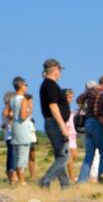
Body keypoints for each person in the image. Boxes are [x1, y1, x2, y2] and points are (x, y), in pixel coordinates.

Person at [37, 58, 72, 190]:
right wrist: (62, 125)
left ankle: (66, 186)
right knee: (64, 156)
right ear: (55, 69)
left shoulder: (47, 84)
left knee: (60, 155)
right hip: (55, 123)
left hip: (52, 123)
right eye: (60, 69)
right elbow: (53, 106)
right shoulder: (50, 85)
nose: (60, 72)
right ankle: (45, 180)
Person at [77, 74, 103, 184]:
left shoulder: (90, 91)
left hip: (87, 122)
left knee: (89, 155)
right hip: (96, 123)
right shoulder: (100, 94)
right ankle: (101, 180)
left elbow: (78, 100)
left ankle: (82, 181)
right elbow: (99, 114)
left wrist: (84, 108)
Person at [8, 77, 34, 184]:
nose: (27, 87)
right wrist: (29, 110)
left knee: (16, 155)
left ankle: (15, 177)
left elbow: (9, 114)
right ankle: (21, 180)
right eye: (26, 85)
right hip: (23, 129)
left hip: (15, 128)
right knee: (23, 156)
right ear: (22, 85)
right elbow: (23, 116)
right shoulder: (23, 99)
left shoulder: (13, 99)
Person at [63, 88, 77, 184]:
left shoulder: (69, 108)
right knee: (70, 157)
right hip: (67, 134)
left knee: (74, 156)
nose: (70, 99)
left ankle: (68, 175)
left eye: (71, 97)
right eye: (69, 97)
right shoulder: (63, 108)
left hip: (73, 134)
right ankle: (71, 177)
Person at [2, 91, 16, 178]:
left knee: (10, 156)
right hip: (12, 135)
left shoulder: (4, 110)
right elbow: (10, 118)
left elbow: (3, 125)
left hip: (8, 135)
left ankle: (10, 173)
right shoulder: (9, 110)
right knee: (13, 157)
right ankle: (12, 174)